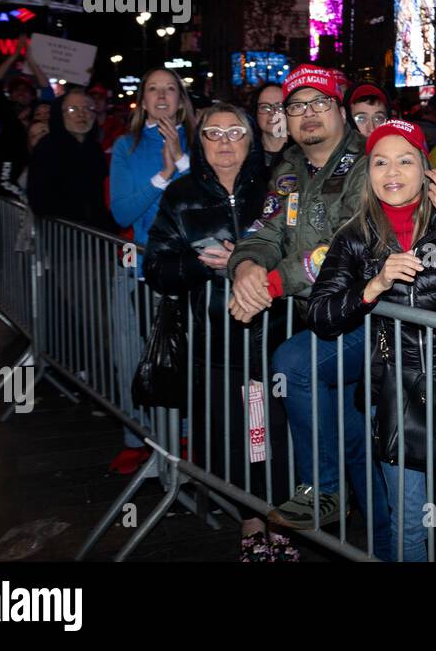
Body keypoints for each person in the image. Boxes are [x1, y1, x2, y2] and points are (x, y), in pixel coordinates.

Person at [306, 119, 436, 562]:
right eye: (380, 162)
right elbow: (320, 315)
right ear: (368, 172)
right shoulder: (356, 234)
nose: (392, 172)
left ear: (425, 166)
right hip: (391, 393)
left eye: (405, 160)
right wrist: (372, 287)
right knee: (408, 520)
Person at [225, 64, 387, 544]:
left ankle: (323, 491)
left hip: (369, 318)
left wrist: (271, 285)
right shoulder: (290, 167)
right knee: (353, 441)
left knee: (292, 364)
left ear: (341, 111)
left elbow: (344, 247)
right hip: (322, 322)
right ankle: (386, 542)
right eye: (296, 106)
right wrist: (247, 266)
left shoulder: (368, 161)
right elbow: (266, 229)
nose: (307, 114)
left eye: (319, 103)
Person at [143, 103, 295, 561]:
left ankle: (282, 519)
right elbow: (156, 267)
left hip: (278, 336)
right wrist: (198, 264)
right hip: (216, 341)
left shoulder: (277, 187)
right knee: (235, 435)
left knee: (281, 433)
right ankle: (250, 520)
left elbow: (305, 249)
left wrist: (248, 264)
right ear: (200, 141)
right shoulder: (181, 195)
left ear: (251, 139)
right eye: (214, 133)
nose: (225, 142)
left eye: (235, 132)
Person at [111, 67, 197, 248]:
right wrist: (164, 175)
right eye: (152, 88)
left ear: (181, 101)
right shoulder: (125, 145)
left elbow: (209, 201)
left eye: (170, 88)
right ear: (143, 102)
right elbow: (122, 216)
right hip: (140, 260)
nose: (161, 95)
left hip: (193, 262)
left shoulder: (201, 143)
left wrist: (181, 159)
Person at [27, 88, 115, 231]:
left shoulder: (95, 149)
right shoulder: (47, 148)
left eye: (88, 109)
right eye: (73, 109)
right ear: (59, 114)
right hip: (63, 235)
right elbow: (39, 200)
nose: (82, 114)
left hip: (96, 236)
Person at [252, 81, 289, 168]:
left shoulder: (305, 154)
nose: (272, 112)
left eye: (279, 107)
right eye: (265, 107)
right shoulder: (245, 154)